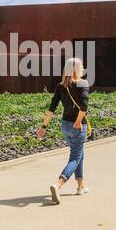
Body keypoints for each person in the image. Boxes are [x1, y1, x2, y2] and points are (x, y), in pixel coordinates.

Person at [37, 57, 90, 204]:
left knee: (79, 153)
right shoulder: (83, 84)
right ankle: (58, 184)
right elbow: (84, 106)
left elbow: (52, 108)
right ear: (78, 69)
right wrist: (79, 122)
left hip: (65, 126)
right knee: (75, 157)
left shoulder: (61, 86)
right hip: (77, 127)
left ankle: (80, 186)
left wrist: (44, 127)